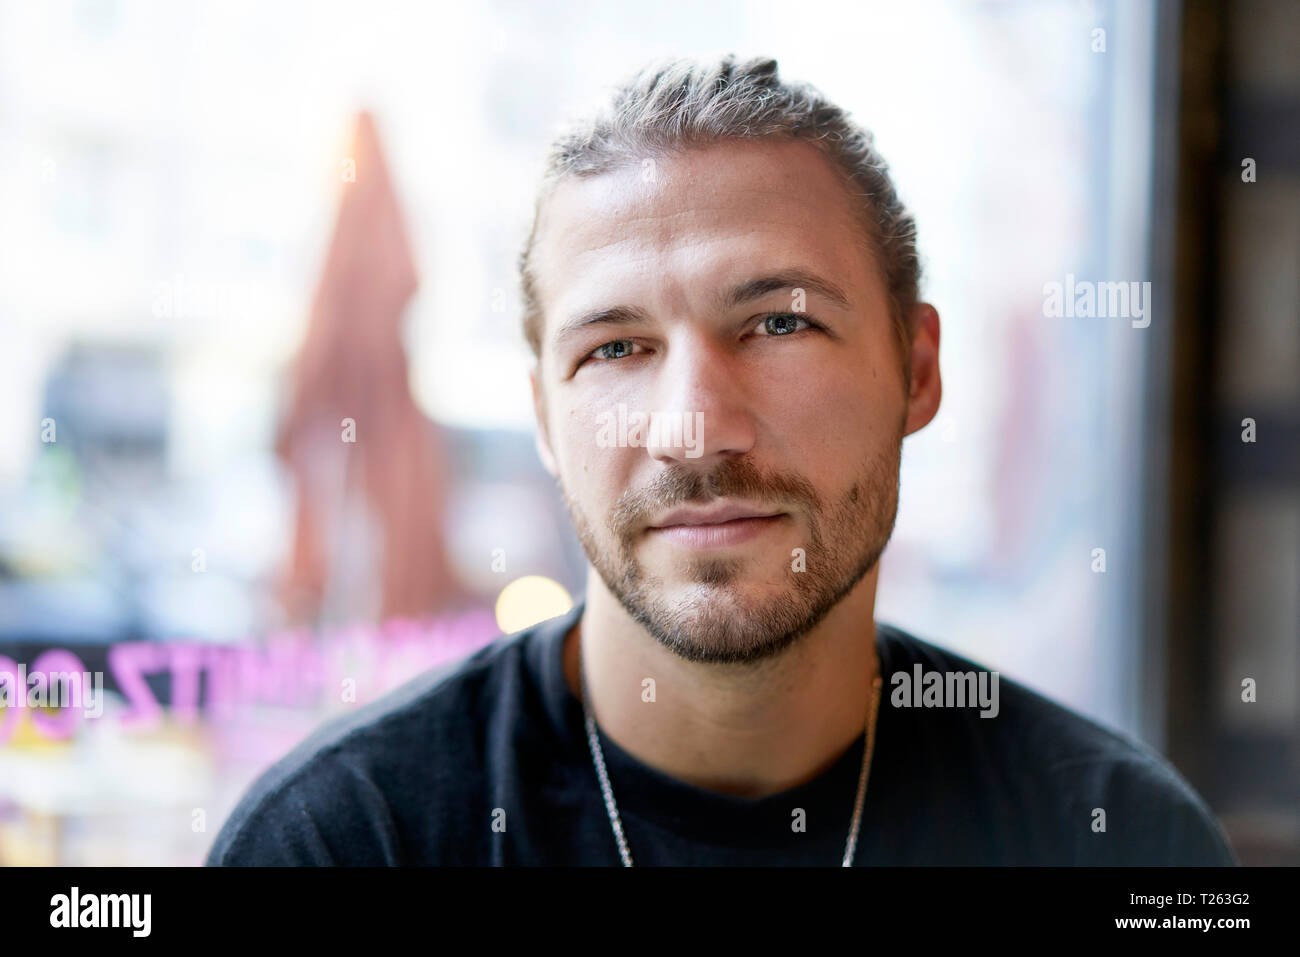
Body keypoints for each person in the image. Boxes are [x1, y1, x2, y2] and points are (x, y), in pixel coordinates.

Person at [206, 54, 1237, 866]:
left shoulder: (1122, 840)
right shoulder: (344, 841)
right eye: (616, 349)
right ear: (544, 417)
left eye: (779, 323)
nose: (695, 428)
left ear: (917, 370)